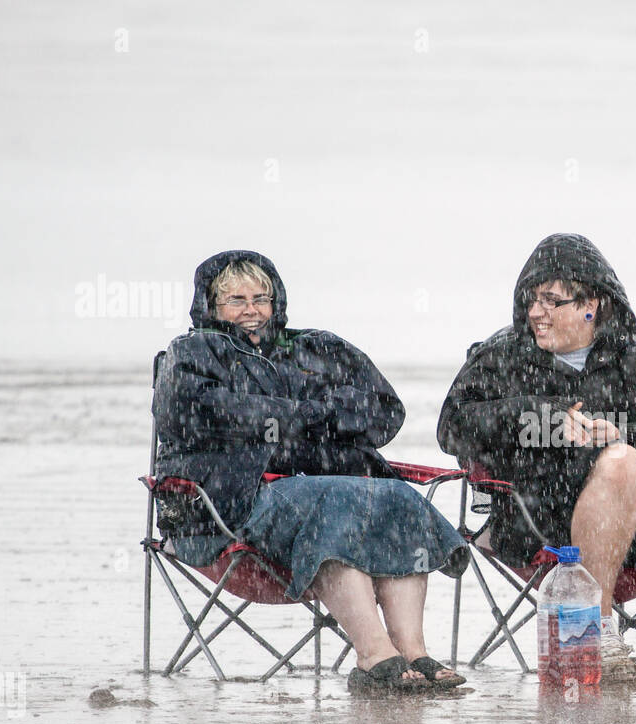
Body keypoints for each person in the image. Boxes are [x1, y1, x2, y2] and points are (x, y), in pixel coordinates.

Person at [437, 234, 636, 681]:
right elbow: (451, 426)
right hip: (542, 521)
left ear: (591, 304)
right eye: (531, 300)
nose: (535, 313)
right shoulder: (503, 356)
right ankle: (596, 632)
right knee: (620, 462)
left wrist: (624, 434)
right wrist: (537, 414)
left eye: (551, 301)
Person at [154, 249, 469, 694]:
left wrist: (310, 418)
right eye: (236, 300)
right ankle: (373, 656)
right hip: (230, 508)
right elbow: (195, 412)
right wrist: (303, 416)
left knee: (395, 496)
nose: (251, 311)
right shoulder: (193, 352)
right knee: (336, 502)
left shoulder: (314, 349)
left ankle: (412, 651)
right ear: (211, 305)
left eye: (261, 298)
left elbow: (383, 412)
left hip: (318, 497)